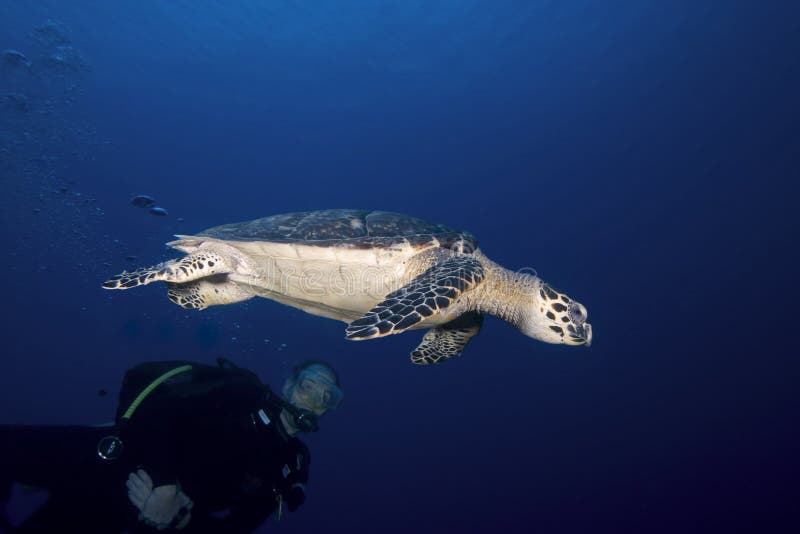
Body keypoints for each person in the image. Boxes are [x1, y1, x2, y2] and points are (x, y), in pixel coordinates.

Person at [0, 358, 342, 533]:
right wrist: (163, 487)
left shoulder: (290, 464)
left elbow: (236, 529)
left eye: (327, 396)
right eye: (309, 386)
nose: (314, 399)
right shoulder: (243, 393)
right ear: (289, 384)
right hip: (106, 460)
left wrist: (178, 520)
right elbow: (161, 407)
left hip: (121, 515)